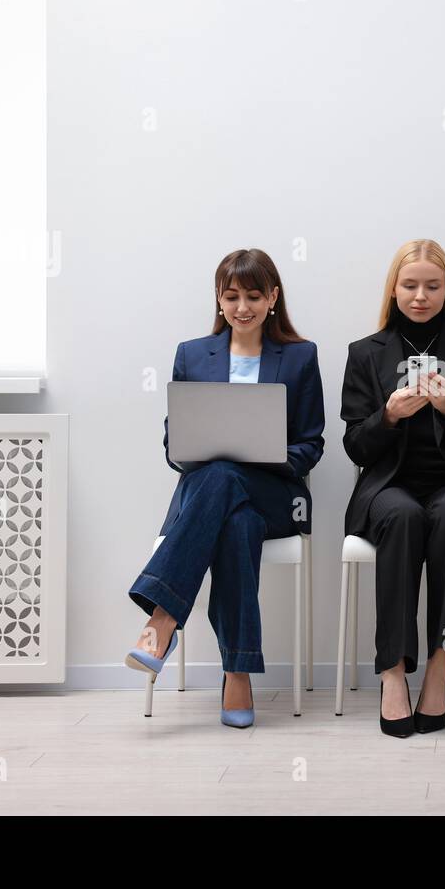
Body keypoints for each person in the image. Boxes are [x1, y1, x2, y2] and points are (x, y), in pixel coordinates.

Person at [124, 249, 325, 728]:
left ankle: (163, 620)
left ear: (272, 297)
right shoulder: (192, 354)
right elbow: (174, 445)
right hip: (219, 503)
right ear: (218, 298)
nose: (242, 307)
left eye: (253, 296)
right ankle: (237, 672)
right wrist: (208, 453)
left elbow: (312, 444)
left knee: (224, 477)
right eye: (231, 296)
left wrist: (270, 453)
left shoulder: (300, 356)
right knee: (234, 519)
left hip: (278, 495)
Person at [341, 239, 445, 738]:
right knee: (403, 516)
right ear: (393, 288)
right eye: (410, 285)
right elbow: (355, 447)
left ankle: (440, 663)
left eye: (433, 286)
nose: (420, 296)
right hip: (390, 487)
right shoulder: (365, 353)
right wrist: (388, 416)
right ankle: (393, 671)